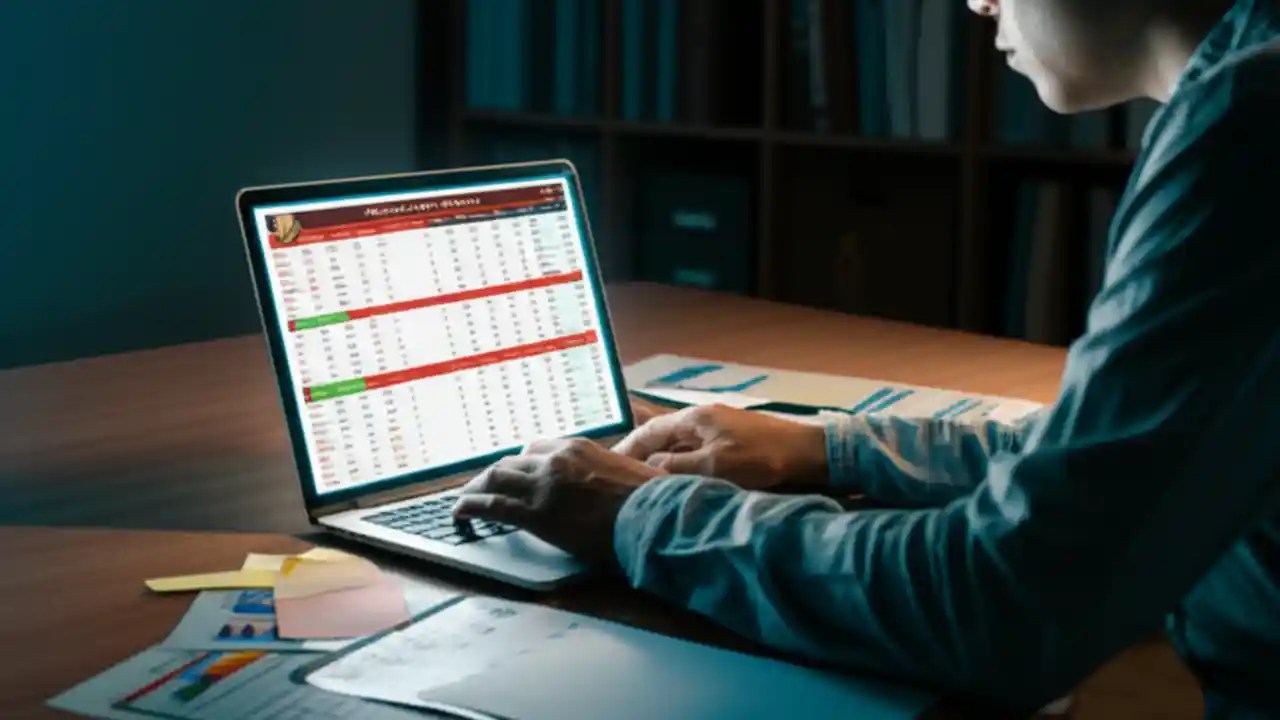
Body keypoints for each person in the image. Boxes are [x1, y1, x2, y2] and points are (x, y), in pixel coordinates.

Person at [454, 0, 1280, 715]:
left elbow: (1006, 604)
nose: (976, 4)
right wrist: (832, 447)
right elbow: (1122, 458)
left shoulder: (1248, 126)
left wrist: (642, 516)